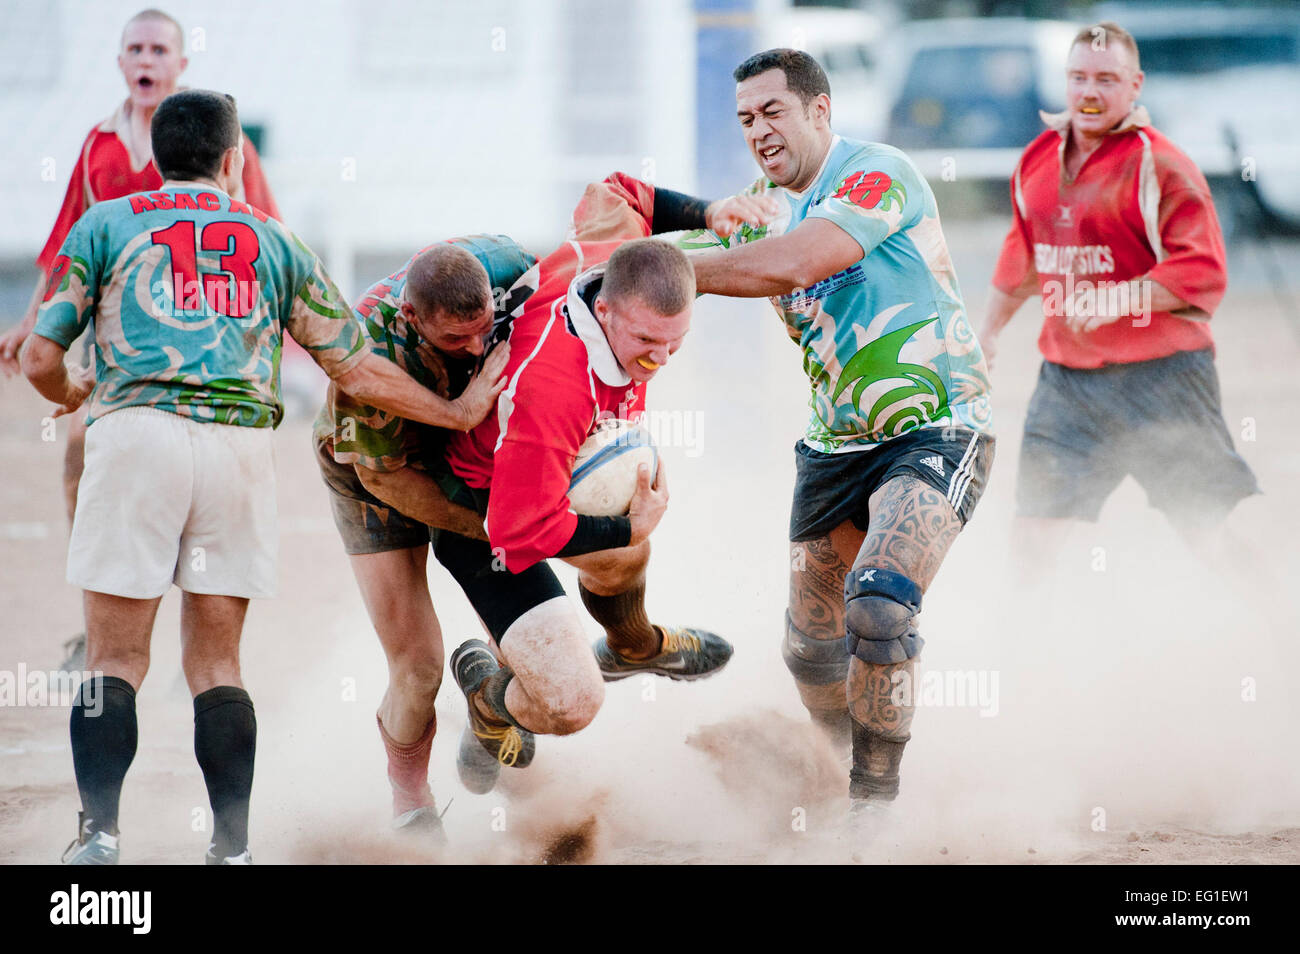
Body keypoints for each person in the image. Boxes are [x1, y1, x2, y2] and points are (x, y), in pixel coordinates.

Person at [21, 90, 506, 865]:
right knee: (217, 663)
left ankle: (101, 838)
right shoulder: (272, 240)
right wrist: (454, 415)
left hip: (134, 438)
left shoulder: (108, 223)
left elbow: (41, 358)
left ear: (156, 160)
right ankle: (231, 850)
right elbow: (354, 363)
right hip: (236, 451)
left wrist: (74, 392)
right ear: (232, 159)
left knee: (116, 660)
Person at [681, 50, 995, 818]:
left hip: (935, 430)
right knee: (808, 649)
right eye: (746, 119)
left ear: (820, 111)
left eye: (773, 112)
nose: (759, 131)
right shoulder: (756, 206)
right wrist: (592, 258)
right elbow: (662, 266)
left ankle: (872, 811)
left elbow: (793, 264)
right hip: (833, 448)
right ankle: (831, 769)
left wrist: (670, 268)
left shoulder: (875, 173)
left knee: (879, 609)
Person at [435, 174, 758, 794]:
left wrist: (712, 209)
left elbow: (621, 192)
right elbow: (518, 529)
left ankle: (634, 647)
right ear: (603, 310)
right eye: (644, 341)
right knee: (572, 705)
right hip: (481, 507)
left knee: (627, 541)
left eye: (676, 342)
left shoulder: (608, 260)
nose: (660, 360)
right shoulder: (553, 389)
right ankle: (492, 696)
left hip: (545, 476)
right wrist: (625, 526)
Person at [0, 7, 280, 673]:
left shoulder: (213, 143)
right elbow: (64, 248)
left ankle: (207, 614)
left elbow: (264, 232)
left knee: (193, 466)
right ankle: (100, 605)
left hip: (204, 328)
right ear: (121, 63)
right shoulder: (98, 145)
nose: (147, 59)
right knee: (79, 449)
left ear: (181, 64)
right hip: (117, 334)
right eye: (136, 48)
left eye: (159, 49)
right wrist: (29, 322)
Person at [977, 21, 1256, 558]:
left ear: (1135, 85)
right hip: (1067, 385)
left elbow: (1204, 269)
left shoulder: (1162, 164)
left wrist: (1117, 299)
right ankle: (1020, 644)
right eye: (1078, 77)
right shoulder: (1036, 160)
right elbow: (1022, 255)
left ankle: (1276, 627)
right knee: (1033, 535)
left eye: (1106, 79)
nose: (1089, 92)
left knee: (1206, 535)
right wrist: (986, 332)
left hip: (1164, 380)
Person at [313, 236, 533, 832]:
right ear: (413, 316)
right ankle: (409, 797)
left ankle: (488, 715)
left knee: (525, 639)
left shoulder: (507, 263)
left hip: (458, 450)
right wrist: (494, 529)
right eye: (456, 340)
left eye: (484, 328)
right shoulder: (368, 349)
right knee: (418, 666)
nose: (477, 346)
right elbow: (387, 482)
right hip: (375, 475)